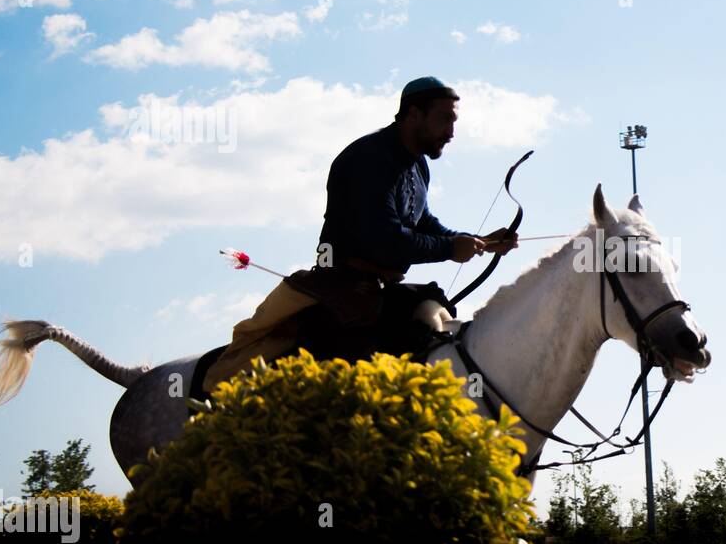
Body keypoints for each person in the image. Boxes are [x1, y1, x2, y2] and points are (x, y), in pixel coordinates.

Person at [202, 76, 517, 391]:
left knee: (435, 318)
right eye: (444, 119)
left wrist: (482, 241)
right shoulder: (368, 157)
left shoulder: (419, 165)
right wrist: (450, 248)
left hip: (380, 291)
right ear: (413, 114)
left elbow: (422, 222)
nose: (451, 132)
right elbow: (384, 238)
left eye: (454, 121)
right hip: (340, 290)